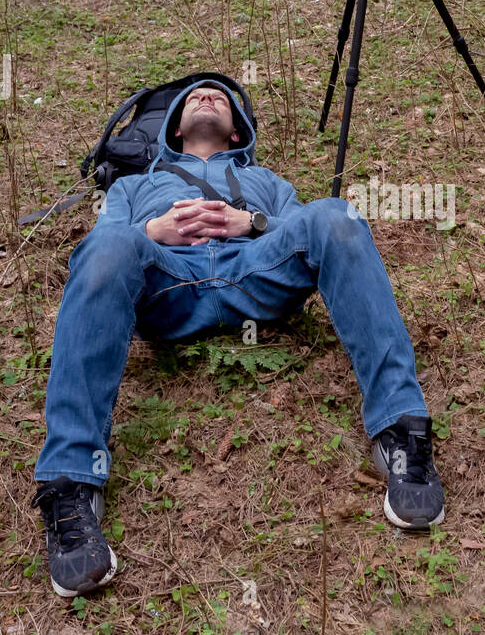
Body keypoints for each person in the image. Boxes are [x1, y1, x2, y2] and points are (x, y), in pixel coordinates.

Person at [30, 78, 445, 597]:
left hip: (256, 274)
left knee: (337, 215)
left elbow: (304, 229)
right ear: (176, 128)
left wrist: (247, 220)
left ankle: (402, 432)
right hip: (169, 282)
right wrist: (154, 233)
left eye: (220, 99)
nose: (207, 98)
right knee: (110, 244)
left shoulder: (266, 180)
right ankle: (70, 482)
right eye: (196, 98)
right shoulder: (132, 188)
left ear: (234, 133)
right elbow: (104, 243)